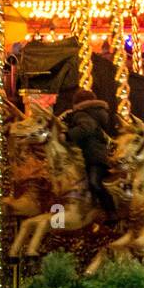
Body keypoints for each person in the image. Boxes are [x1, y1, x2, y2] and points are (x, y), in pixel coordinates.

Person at [62, 88, 116, 216]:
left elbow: (87, 127)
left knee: (95, 182)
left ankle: (111, 212)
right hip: (94, 155)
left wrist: (68, 136)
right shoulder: (94, 114)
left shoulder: (82, 114)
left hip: (94, 156)